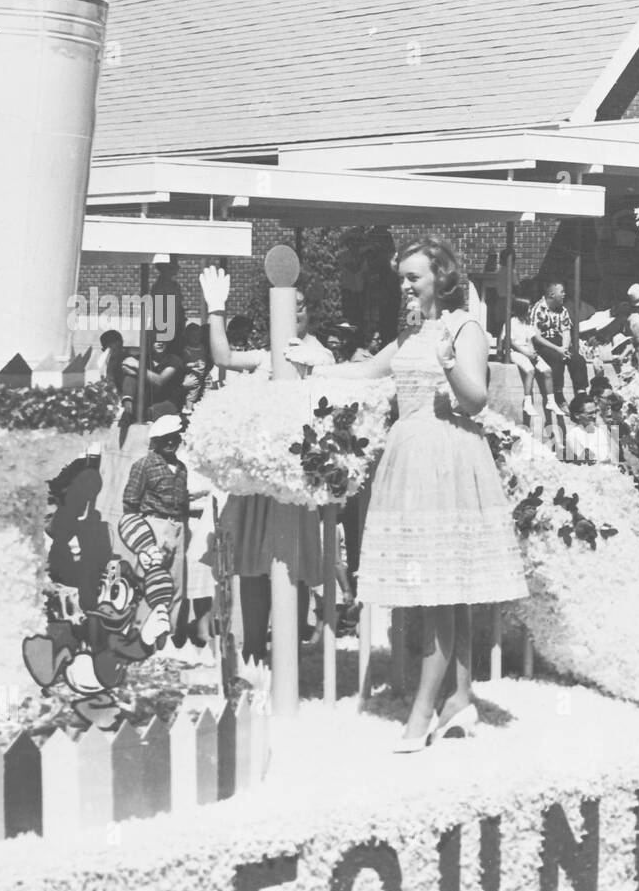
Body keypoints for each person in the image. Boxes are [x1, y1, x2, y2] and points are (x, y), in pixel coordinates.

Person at [297, 236, 528, 752]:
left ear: (440, 278)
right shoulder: (410, 334)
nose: (403, 286)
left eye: (412, 278)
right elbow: (366, 371)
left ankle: (423, 710)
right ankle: (459, 699)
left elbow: (476, 400)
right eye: (402, 277)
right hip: (411, 458)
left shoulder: (466, 327)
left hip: (446, 457)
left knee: (440, 592)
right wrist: (312, 364)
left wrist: (448, 363)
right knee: (445, 589)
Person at [202, 270, 331, 665]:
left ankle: (288, 653)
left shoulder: (319, 354)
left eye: (302, 306)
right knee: (252, 565)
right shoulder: (262, 355)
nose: (296, 313)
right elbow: (223, 358)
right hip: (258, 481)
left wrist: (317, 366)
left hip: (294, 479)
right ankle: (254, 649)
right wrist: (216, 309)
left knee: (294, 565)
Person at [121, 412, 193, 638]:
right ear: (156, 441)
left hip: (178, 527)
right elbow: (130, 502)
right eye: (166, 438)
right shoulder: (143, 465)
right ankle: (142, 634)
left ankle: (167, 636)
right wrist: (141, 538)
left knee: (175, 584)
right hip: (153, 524)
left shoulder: (182, 468)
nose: (171, 442)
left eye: (175, 437)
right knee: (149, 581)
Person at [530, 281, 589, 415]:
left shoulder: (563, 310)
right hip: (544, 344)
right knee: (556, 359)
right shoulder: (538, 309)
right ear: (552, 294)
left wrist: (564, 347)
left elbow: (566, 332)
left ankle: (581, 395)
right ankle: (558, 396)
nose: (564, 294)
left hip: (560, 343)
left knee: (578, 359)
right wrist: (558, 349)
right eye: (561, 292)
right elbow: (536, 336)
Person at [506, 297, 552, 417]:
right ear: (522, 308)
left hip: (527, 351)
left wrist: (532, 353)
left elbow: (530, 341)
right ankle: (527, 403)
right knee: (530, 371)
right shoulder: (511, 322)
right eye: (529, 307)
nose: (531, 309)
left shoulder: (527, 323)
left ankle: (551, 401)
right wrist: (526, 354)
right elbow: (511, 342)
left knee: (547, 370)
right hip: (515, 352)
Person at [564, 393, 615, 465]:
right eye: (590, 413)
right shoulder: (572, 435)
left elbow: (613, 453)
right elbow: (588, 463)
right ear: (577, 415)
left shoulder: (600, 430)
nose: (594, 416)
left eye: (595, 412)